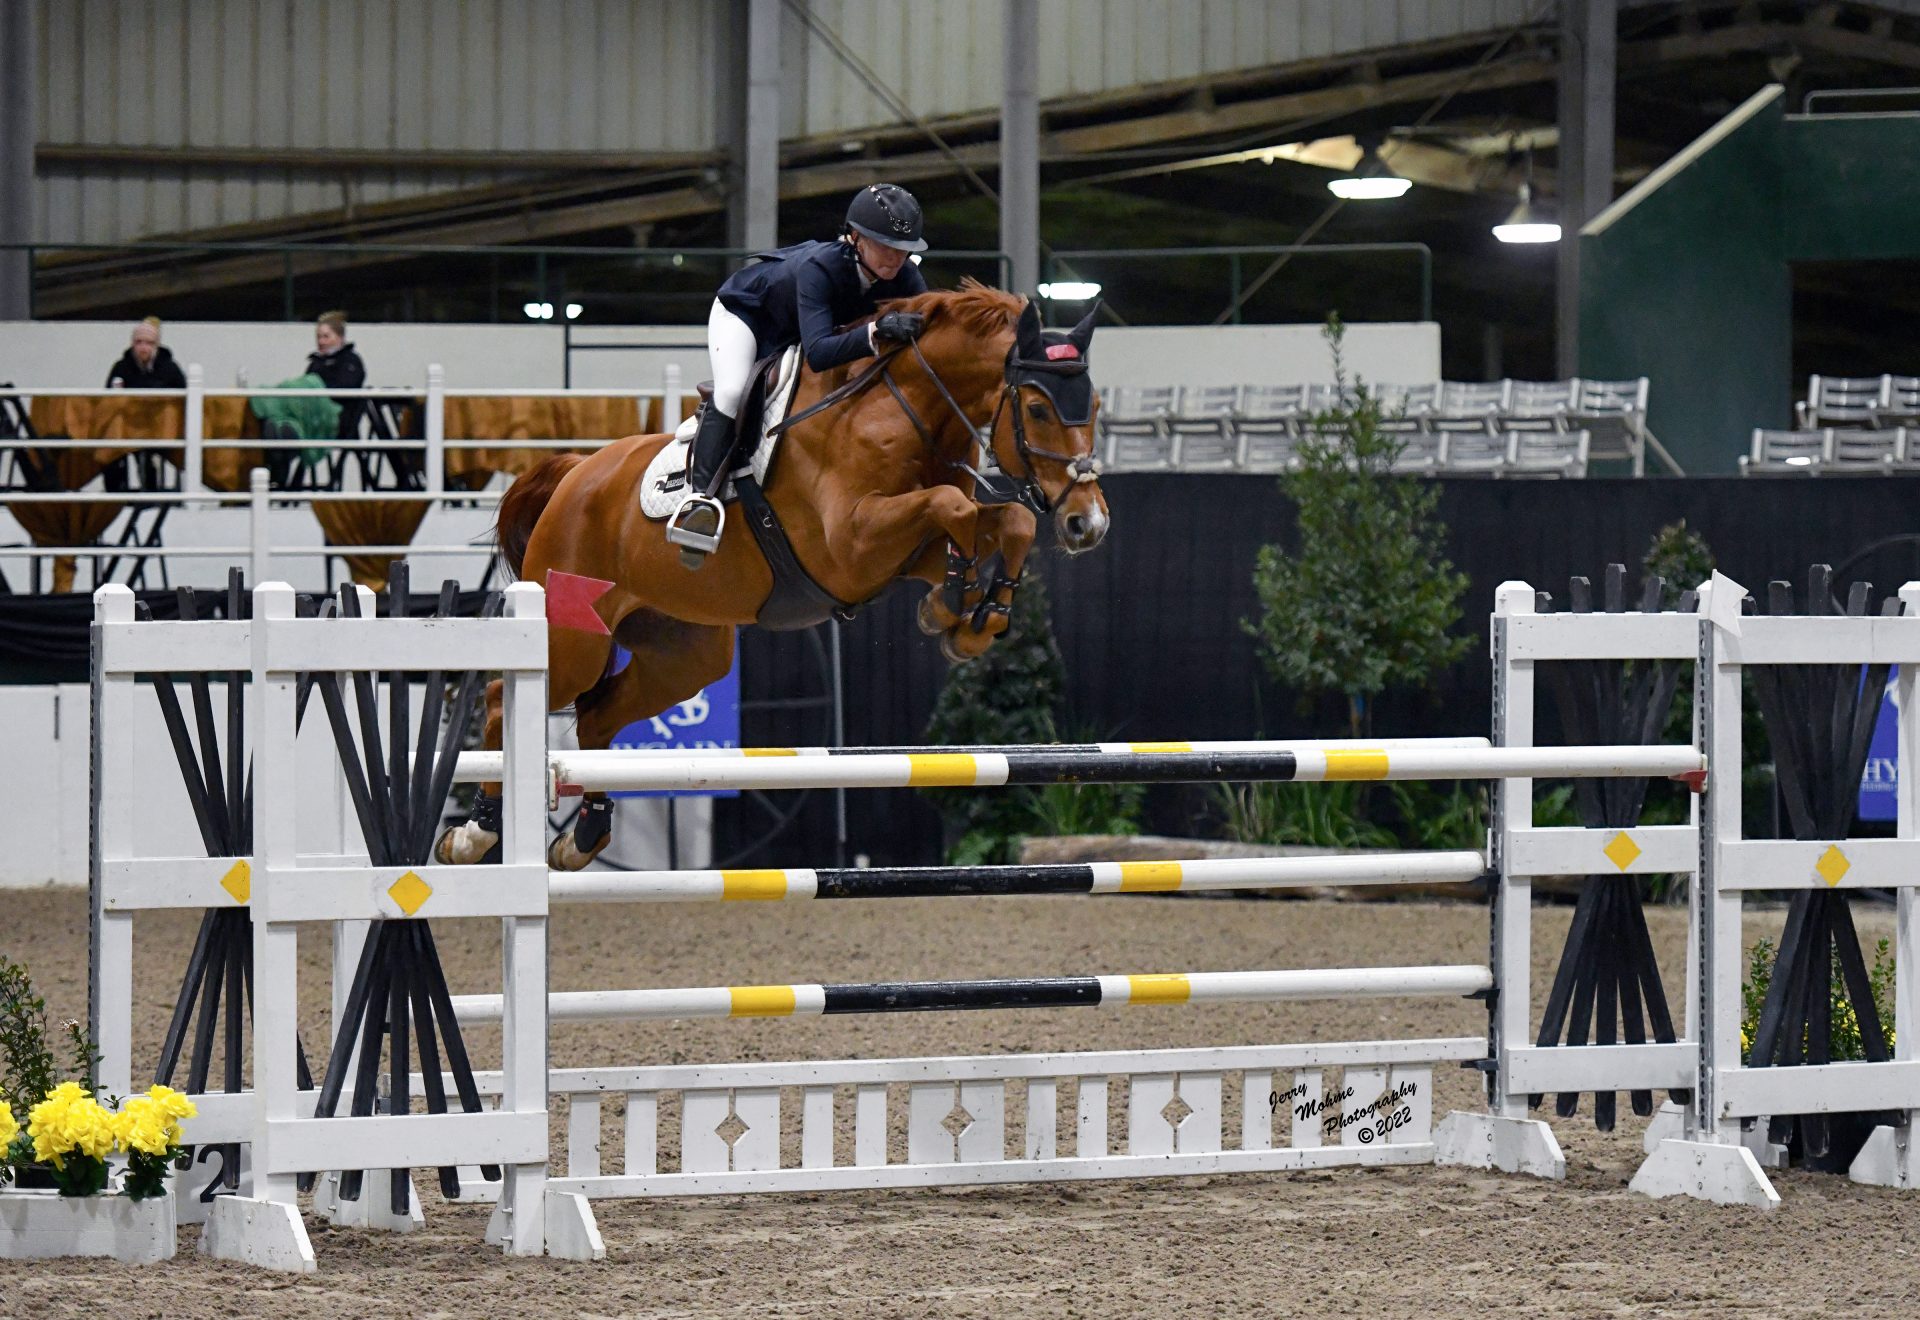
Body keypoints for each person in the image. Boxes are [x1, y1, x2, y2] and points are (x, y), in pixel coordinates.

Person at [667, 182, 932, 563]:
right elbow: (821, 353)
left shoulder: (904, 276)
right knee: (730, 391)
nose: (895, 258)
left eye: (904, 250)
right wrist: (875, 331)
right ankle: (698, 503)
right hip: (747, 316)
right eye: (884, 245)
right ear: (855, 238)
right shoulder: (820, 269)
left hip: (796, 326)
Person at [307, 309, 367, 439]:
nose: (321, 342)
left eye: (326, 336)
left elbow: (346, 388)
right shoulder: (316, 363)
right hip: (313, 418)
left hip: (335, 422)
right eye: (318, 337)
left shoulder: (351, 361)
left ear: (340, 338)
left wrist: (319, 390)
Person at [105, 316, 187, 389]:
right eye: (139, 342)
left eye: (149, 343)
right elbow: (108, 399)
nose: (143, 348)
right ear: (132, 344)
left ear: (157, 345)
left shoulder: (171, 369)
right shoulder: (120, 368)